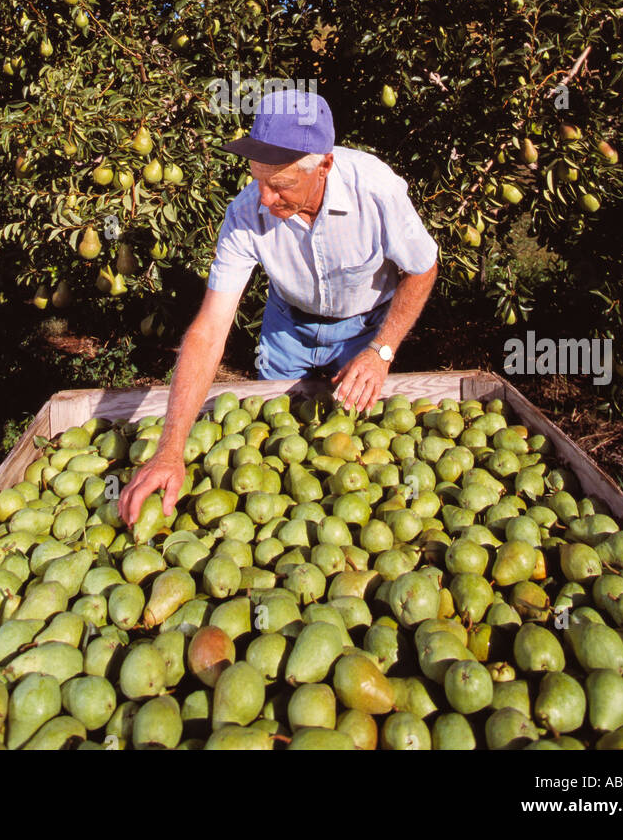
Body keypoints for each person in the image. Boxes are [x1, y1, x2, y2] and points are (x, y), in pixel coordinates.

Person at [119, 88, 437, 526]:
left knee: (355, 443)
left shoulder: (375, 190)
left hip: (365, 328)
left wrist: (382, 350)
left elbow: (422, 268)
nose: (264, 199)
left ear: (324, 164)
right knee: (279, 441)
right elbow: (210, 329)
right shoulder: (246, 212)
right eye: (257, 179)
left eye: (281, 184)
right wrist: (170, 452)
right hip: (288, 327)